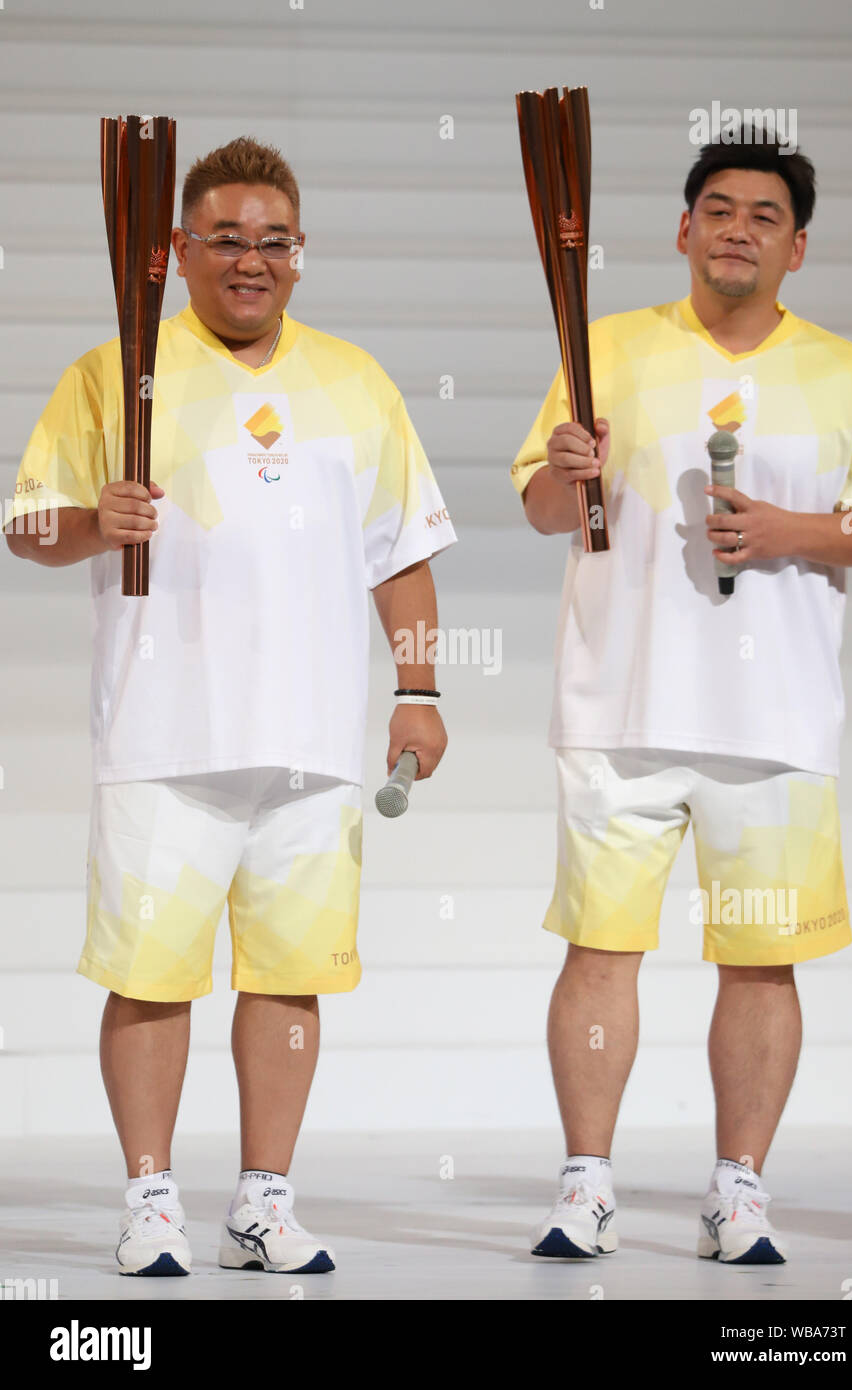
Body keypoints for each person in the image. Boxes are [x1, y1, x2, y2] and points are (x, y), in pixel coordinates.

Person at [4, 135, 457, 1277]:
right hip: (162, 736)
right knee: (150, 977)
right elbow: (26, 526)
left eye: (273, 242)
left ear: (298, 255)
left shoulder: (354, 383)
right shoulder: (115, 375)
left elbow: (400, 555)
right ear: (177, 249)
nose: (250, 261)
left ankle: (262, 1201)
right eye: (226, 240)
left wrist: (416, 686)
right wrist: (94, 523)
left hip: (309, 743)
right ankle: (151, 1198)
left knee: (288, 975)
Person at [510, 125, 852, 1265]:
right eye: (716, 209)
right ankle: (585, 1185)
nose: (736, 229)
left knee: (759, 960)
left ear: (797, 247)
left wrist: (790, 532)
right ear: (684, 230)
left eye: (761, 216)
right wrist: (566, 472)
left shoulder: (842, 372)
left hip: (770, 719)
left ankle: (738, 1191)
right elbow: (539, 504)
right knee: (598, 952)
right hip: (618, 706)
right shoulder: (607, 347)